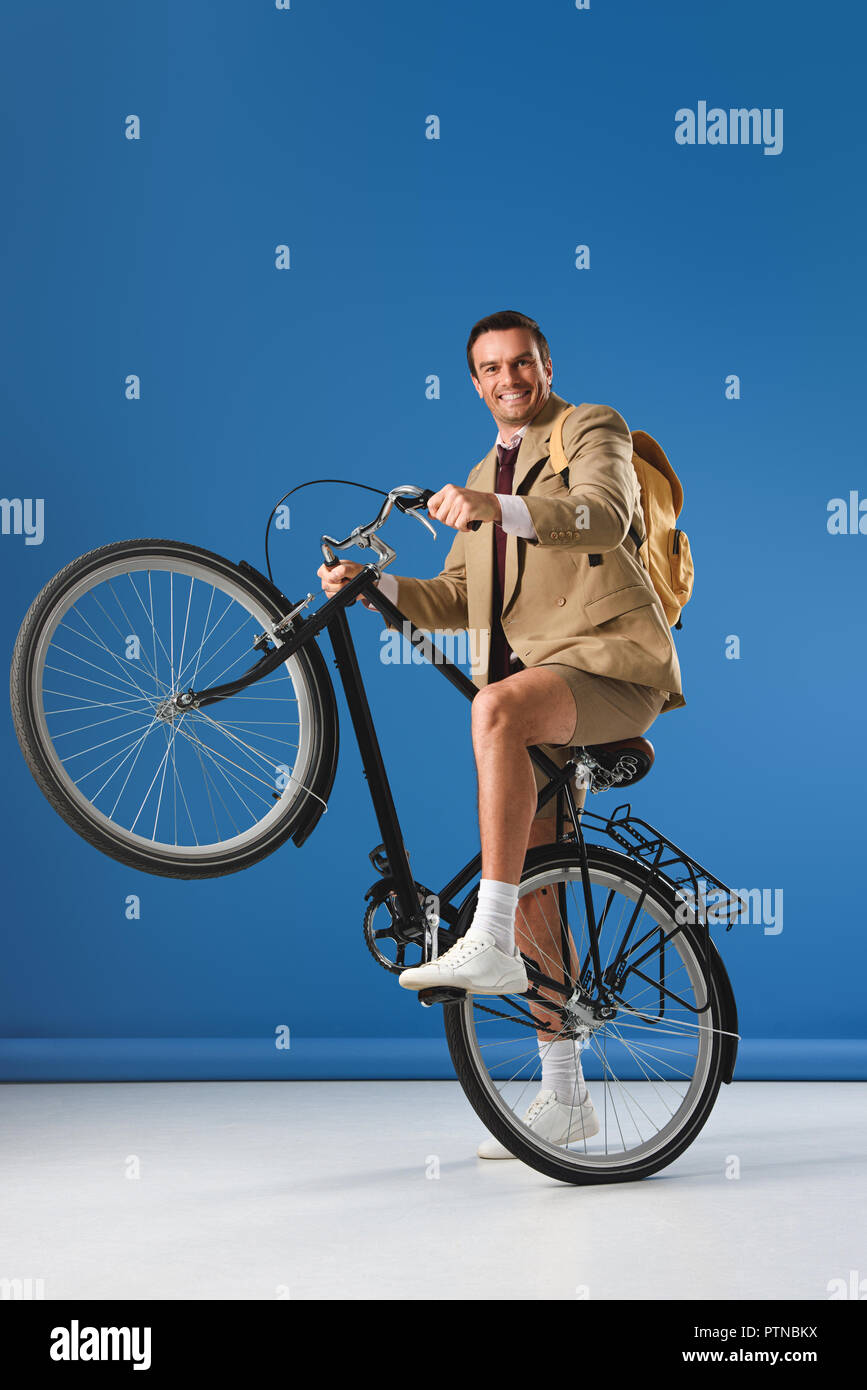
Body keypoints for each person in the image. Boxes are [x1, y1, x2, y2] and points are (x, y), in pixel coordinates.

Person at [317, 309, 683, 1157]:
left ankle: (480, 935)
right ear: (474, 383)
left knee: (494, 710)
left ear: (546, 368)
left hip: (611, 670)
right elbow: (455, 598)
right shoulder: (484, 471)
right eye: (490, 369)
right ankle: (565, 1097)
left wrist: (498, 505)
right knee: (530, 886)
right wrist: (378, 584)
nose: (508, 379)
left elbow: (600, 516)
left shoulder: (591, 430)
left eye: (522, 364)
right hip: (539, 693)